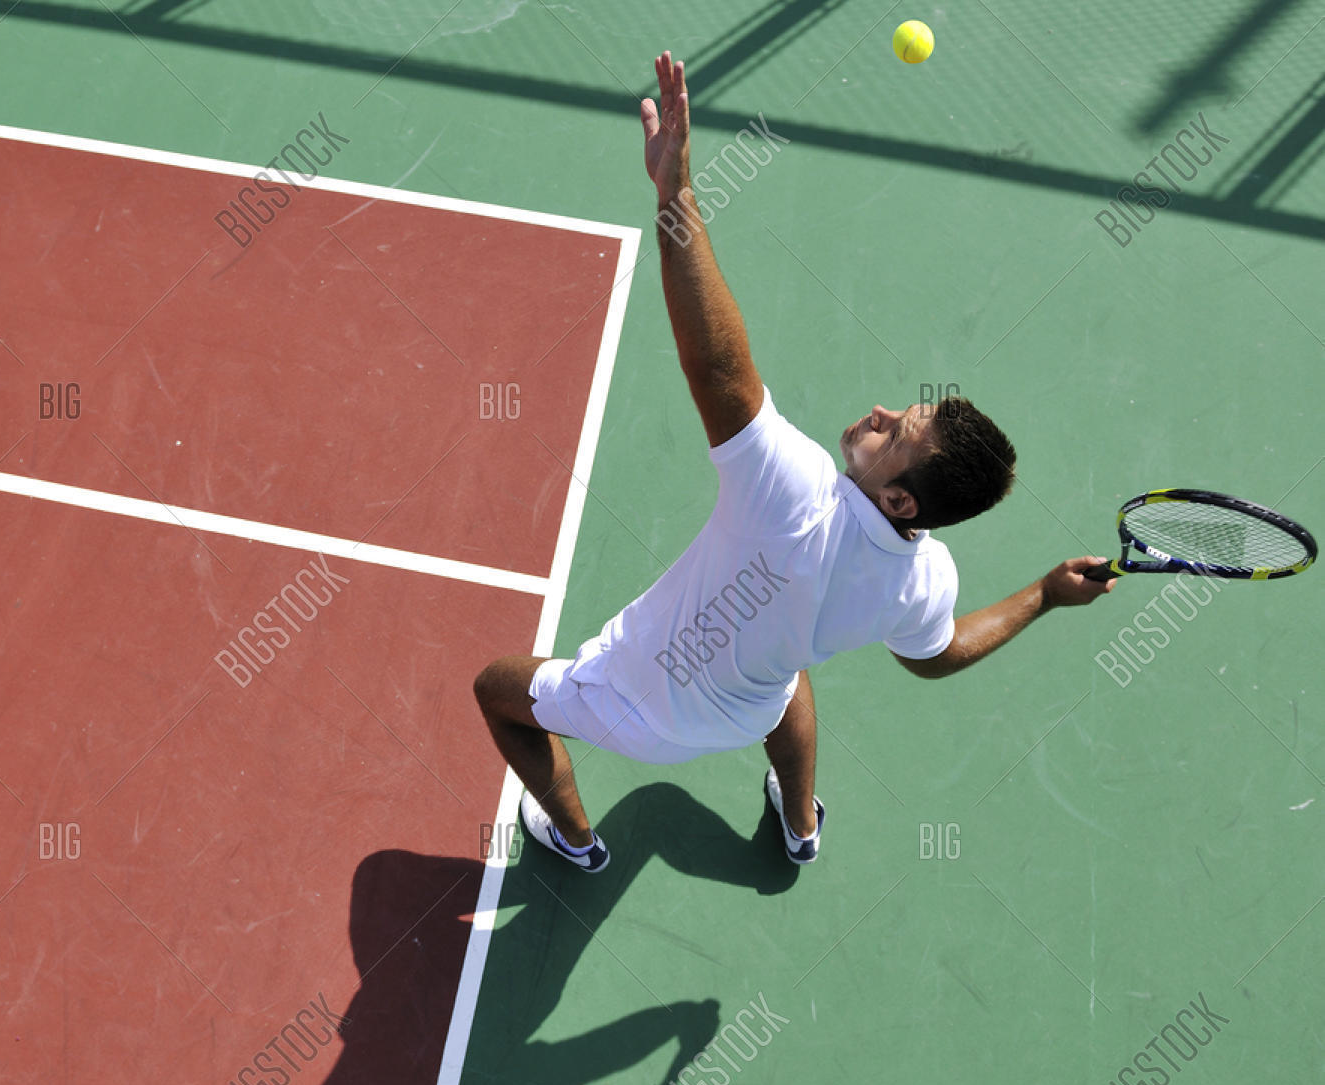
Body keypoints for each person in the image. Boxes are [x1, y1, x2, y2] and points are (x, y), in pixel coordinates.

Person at [474, 51, 1116, 872]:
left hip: (631, 709)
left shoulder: (794, 493)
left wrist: (675, 196)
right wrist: (1045, 597)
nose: (882, 414)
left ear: (902, 503)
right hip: (744, 711)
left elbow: (716, 370)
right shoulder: (924, 580)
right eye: (902, 411)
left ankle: (573, 838)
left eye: (897, 436)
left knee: (497, 690)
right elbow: (941, 654)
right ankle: (802, 823)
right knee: (788, 675)